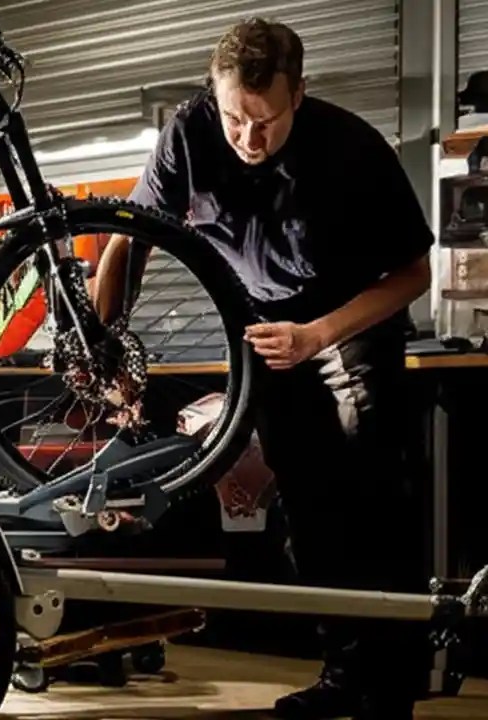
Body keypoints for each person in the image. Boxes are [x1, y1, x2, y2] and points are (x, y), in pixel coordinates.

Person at [91, 17, 434, 720]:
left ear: (298, 94)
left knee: (372, 497)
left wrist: (319, 335)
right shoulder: (188, 135)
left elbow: (414, 274)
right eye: (234, 119)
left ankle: (392, 692)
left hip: (350, 327)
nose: (248, 138)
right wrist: (107, 341)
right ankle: (343, 675)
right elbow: (130, 239)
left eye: (266, 122)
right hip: (267, 332)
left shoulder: (352, 149)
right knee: (306, 503)